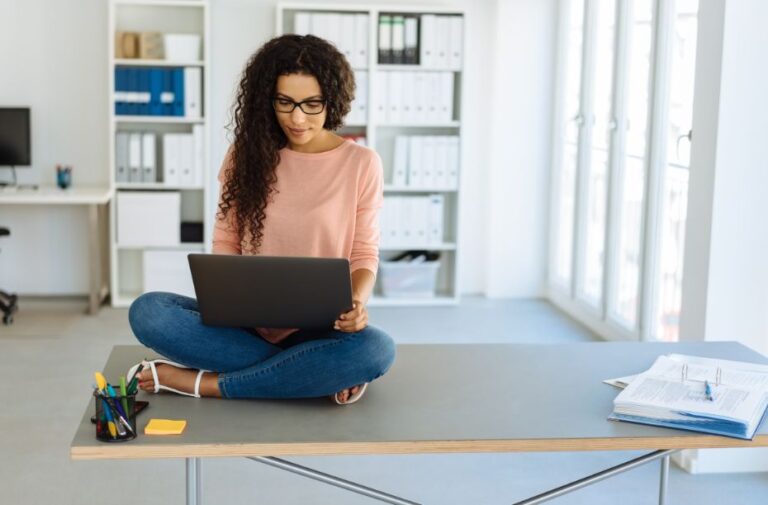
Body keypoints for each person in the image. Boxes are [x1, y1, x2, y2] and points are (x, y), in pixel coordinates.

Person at [127, 34, 396, 405]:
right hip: (245, 325)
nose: (297, 118)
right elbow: (226, 242)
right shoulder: (245, 155)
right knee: (149, 312)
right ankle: (313, 375)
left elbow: (364, 253)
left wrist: (356, 303)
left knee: (376, 349)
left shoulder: (362, 164)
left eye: (311, 104)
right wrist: (225, 299)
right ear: (266, 100)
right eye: (284, 102)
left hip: (320, 329)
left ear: (332, 100)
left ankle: (201, 384)